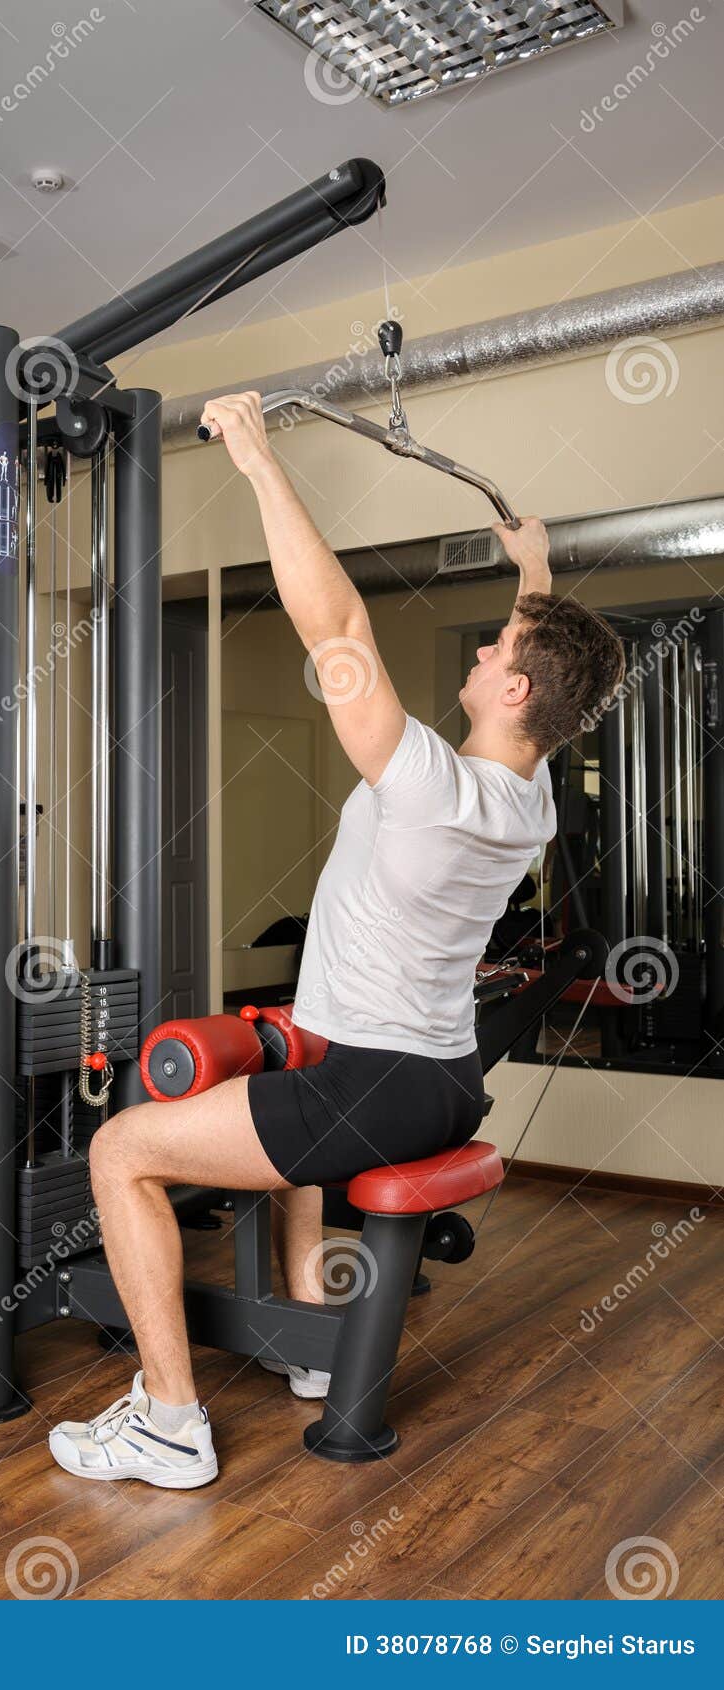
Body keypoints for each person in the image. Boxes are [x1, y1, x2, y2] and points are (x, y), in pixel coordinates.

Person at [48, 390, 626, 1490]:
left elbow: (339, 633)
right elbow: (546, 673)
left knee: (121, 1149)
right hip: (442, 1076)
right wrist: (534, 570)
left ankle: (169, 1419)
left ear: (509, 687)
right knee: (295, 1088)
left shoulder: (427, 781)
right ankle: (314, 1339)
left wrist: (259, 459)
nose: (489, 647)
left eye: (498, 642)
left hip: (375, 1082)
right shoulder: (529, 792)